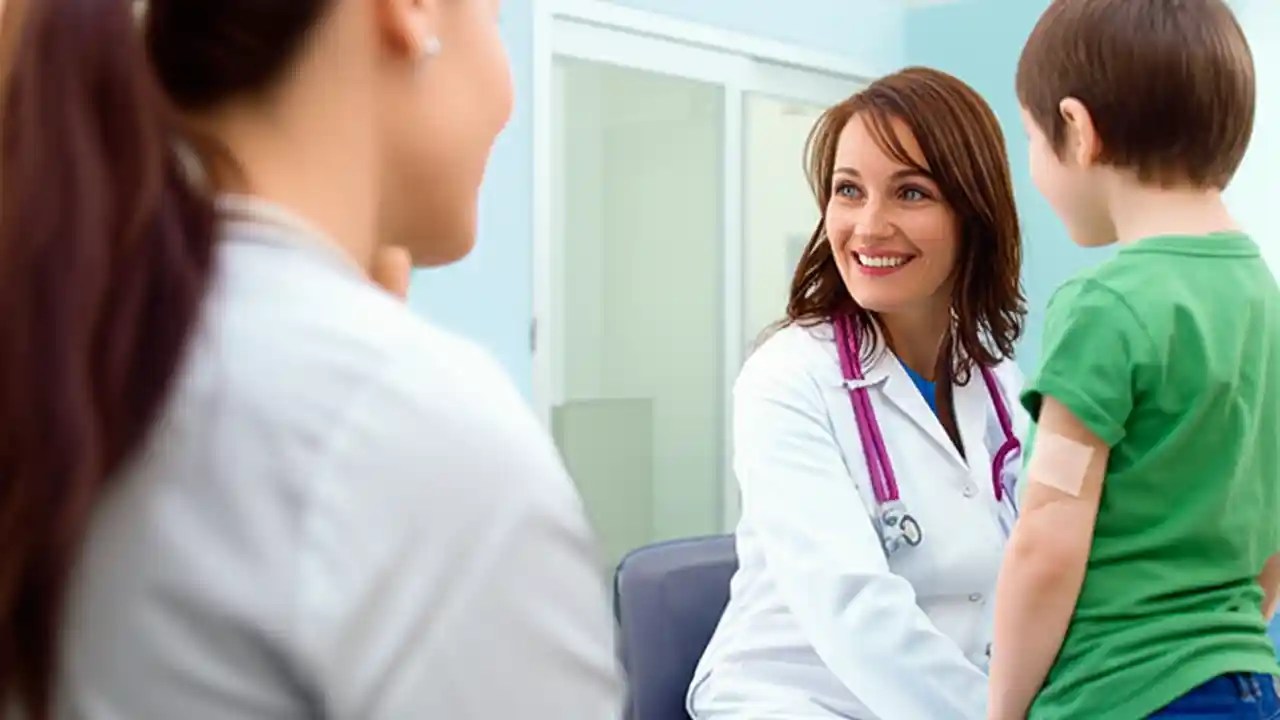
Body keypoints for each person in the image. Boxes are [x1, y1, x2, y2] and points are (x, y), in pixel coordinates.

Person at [0, 1, 623, 719]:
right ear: (410, 11)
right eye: (494, 19)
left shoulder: (82, 349)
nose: (508, 99)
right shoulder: (400, 429)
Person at [687, 66, 1028, 720]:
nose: (869, 227)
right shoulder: (787, 378)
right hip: (793, 701)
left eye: (910, 192)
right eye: (849, 191)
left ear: (973, 211)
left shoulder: (997, 383)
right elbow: (853, 610)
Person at [987, 1, 1280, 718]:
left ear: (1078, 131)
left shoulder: (1105, 306)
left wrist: (1001, 710)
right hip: (1248, 686)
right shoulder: (1264, 303)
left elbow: (1047, 539)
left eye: (1031, 137)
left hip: (1116, 693)